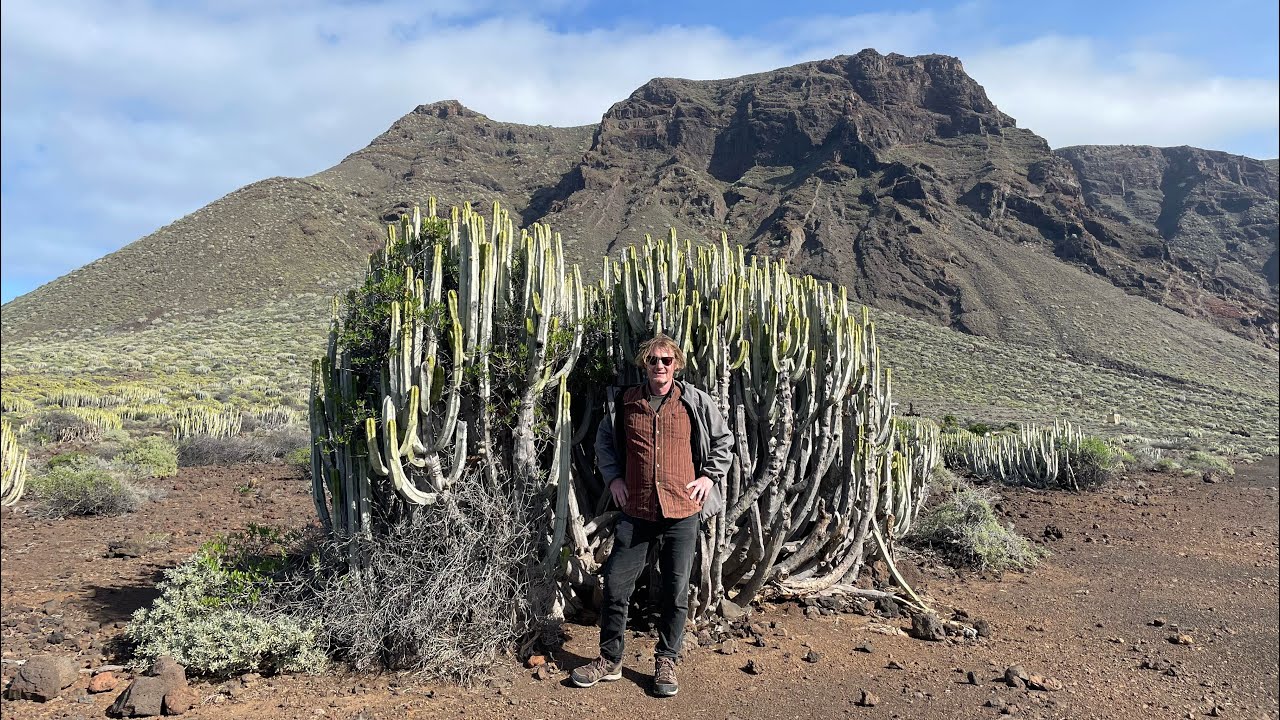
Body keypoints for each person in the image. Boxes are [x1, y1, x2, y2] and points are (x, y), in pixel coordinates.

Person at [570, 333, 733, 697]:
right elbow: (604, 444)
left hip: (682, 510)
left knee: (675, 591)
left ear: (676, 364)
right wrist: (612, 478)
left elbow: (724, 441)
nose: (659, 366)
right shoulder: (627, 403)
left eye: (666, 360)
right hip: (637, 510)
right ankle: (610, 660)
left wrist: (708, 476)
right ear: (644, 364)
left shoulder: (694, 401)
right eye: (653, 360)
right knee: (615, 586)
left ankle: (667, 660)